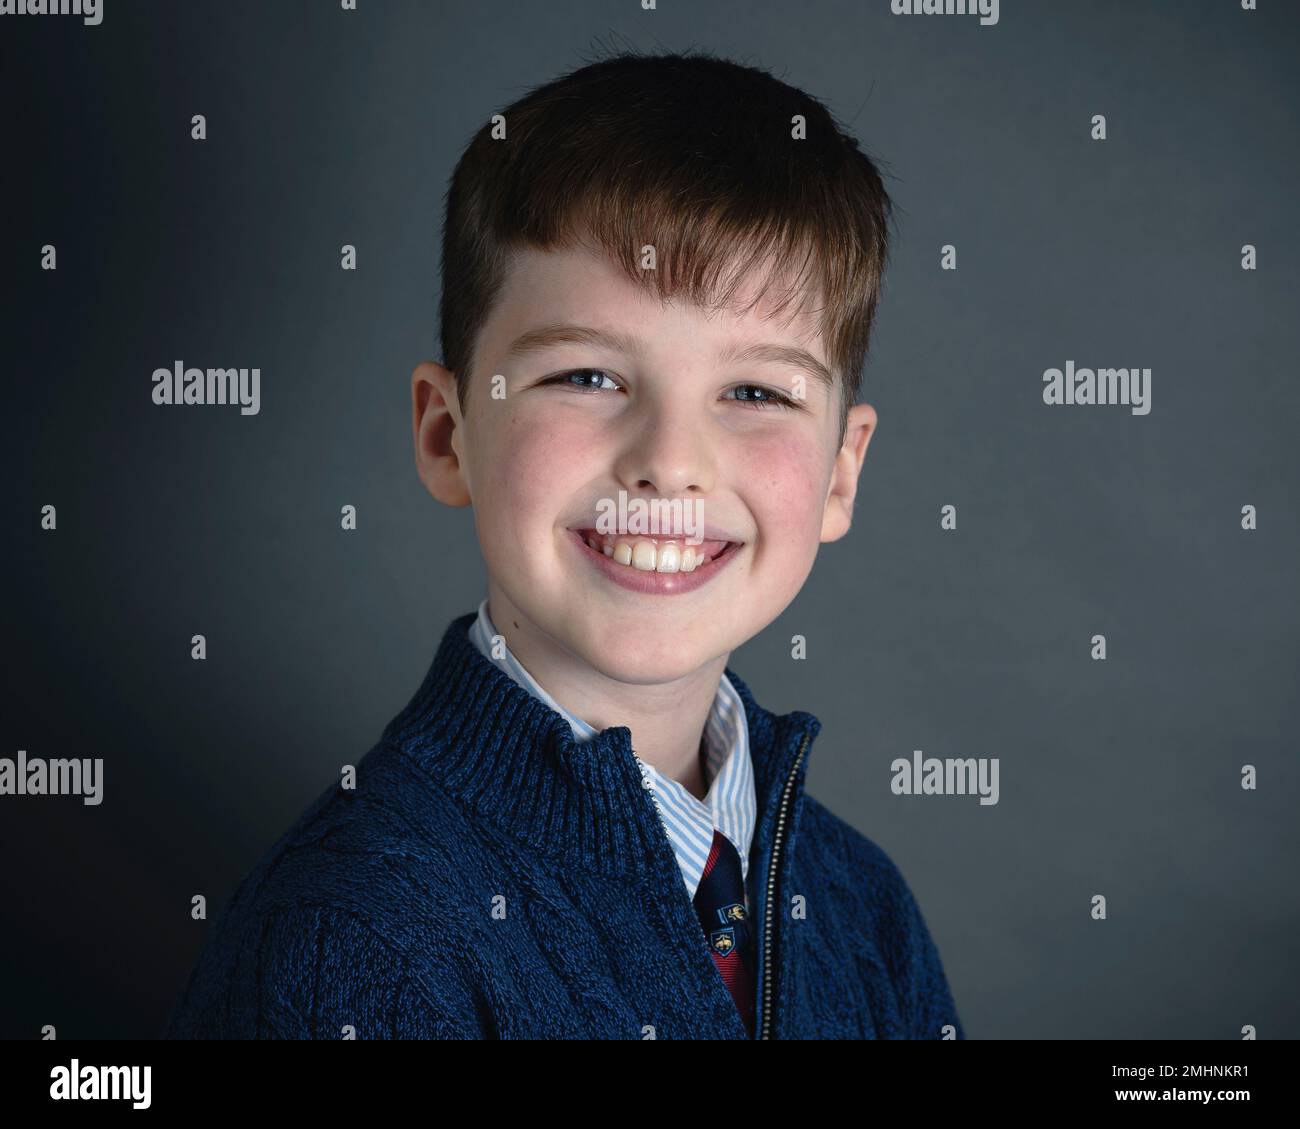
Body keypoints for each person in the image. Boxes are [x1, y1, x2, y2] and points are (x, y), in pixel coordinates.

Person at [164, 48, 964, 1040]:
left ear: (841, 470)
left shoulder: (864, 908)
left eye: (756, 392)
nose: (670, 463)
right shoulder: (352, 939)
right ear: (447, 434)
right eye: (586, 377)